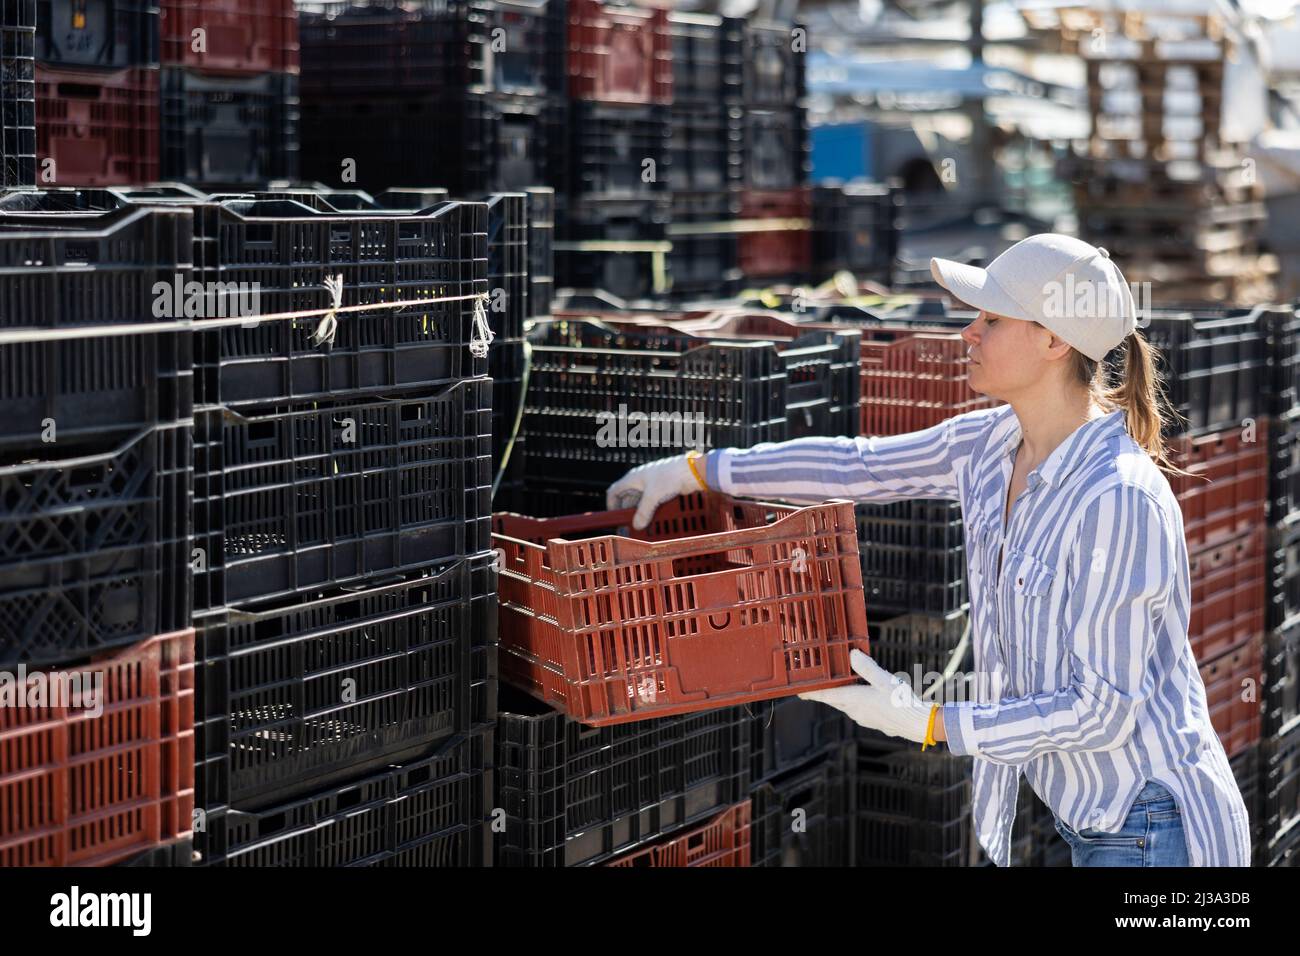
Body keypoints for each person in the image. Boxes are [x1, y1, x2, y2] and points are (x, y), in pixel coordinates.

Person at [606, 233, 1253, 867]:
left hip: (1157, 829)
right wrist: (700, 469)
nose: (968, 334)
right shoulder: (990, 444)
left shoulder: (1118, 497)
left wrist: (928, 722)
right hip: (1097, 820)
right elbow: (855, 468)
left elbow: (1101, 710)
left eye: (991, 319)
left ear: (1055, 340)